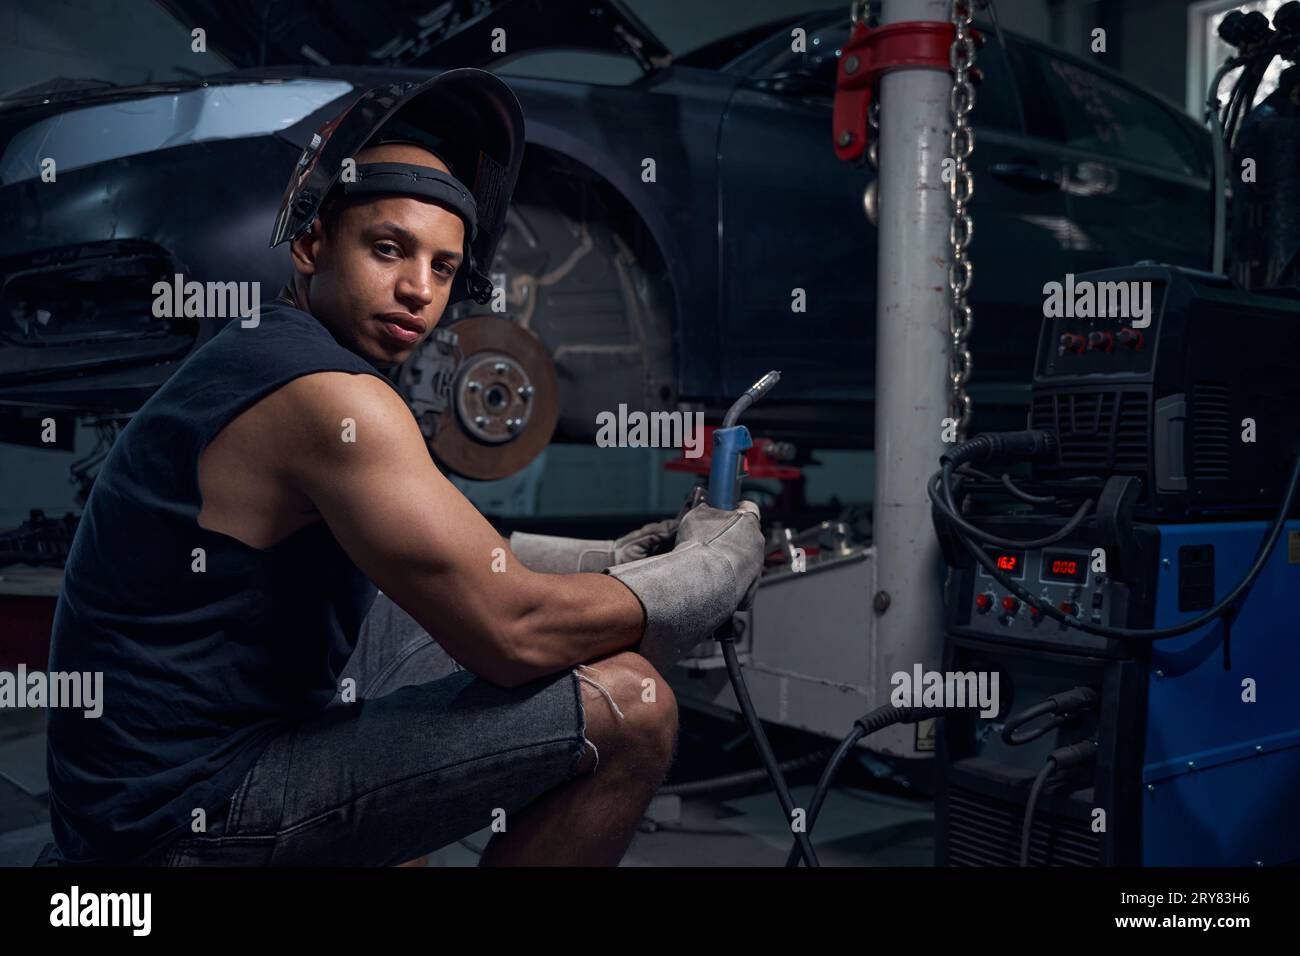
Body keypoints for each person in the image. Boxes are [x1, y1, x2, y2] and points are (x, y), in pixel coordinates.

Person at [44, 69, 765, 867]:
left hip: (122, 801)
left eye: (444, 267)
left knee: (401, 621)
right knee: (629, 704)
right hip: (180, 820)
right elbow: (511, 633)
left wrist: (609, 561)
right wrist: (709, 571)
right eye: (389, 249)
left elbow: (446, 550)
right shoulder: (328, 400)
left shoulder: (261, 351)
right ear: (313, 242)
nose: (419, 290)